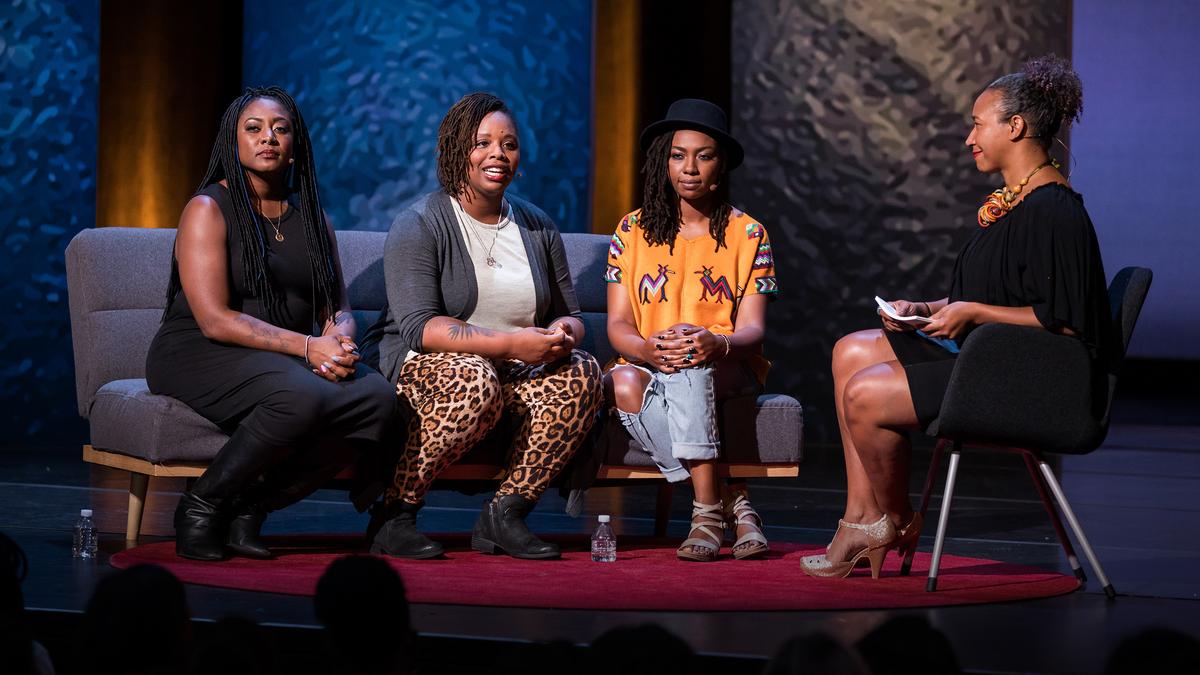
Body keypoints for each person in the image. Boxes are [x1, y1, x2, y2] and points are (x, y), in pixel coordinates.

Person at [801, 55, 1113, 578]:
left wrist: (973, 312)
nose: (969, 138)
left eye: (977, 123)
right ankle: (861, 518)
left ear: (1015, 126)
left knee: (866, 393)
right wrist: (929, 308)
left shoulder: (1055, 211)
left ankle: (894, 520)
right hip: (991, 359)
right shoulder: (1014, 204)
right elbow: (1000, 293)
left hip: (1031, 379)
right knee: (850, 350)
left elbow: (1067, 322)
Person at [146, 87, 397, 561]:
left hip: (283, 356)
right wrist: (308, 348)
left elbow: (336, 306)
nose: (269, 138)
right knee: (299, 395)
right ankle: (201, 506)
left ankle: (251, 509)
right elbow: (214, 320)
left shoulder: (311, 218)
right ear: (232, 141)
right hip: (200, 351)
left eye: (281, 129)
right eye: (254, 128)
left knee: (378, 400)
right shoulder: (207, 208)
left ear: (295, 144)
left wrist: (339, 337)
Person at [362, 92, 602, 560]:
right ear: (456, 149)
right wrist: (513, 343)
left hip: (515, 370)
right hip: (432, 371)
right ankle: (394, 513)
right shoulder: (420, 223)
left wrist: (564, 335)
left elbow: (569, 312)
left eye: (509, 144)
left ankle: (504, 514)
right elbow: (420, 328)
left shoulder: (536, 225)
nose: (498, 154)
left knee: (583, 371)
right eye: (483, 143)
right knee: (474, 379)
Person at [604, 98, 777, 562]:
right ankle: (734, 502)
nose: (690, 168)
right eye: (678, 155)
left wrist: (713, 343)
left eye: (704, 155)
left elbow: (753, 333)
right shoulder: (631, 231)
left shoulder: (748, 234)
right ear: (664, 161)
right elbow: (619, 326)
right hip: (649, 363)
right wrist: (645, 348)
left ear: (721, 165)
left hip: (724, 363)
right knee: (620, 379)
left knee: (689, 366)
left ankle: (703, 514)